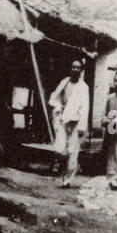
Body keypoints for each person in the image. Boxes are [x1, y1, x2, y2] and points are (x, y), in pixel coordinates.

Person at [49, 59, 90, 188]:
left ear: (81, 70)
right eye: (73, 67)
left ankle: (67, 179)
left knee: (73, 151)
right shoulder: (64, 82)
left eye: (78, 68)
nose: (75, 70)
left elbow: (85, 107)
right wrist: (58, 107)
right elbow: (55, 98)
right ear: (70, 68)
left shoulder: (84, 87)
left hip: (76, 122)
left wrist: (82, 126)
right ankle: (62, 170)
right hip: (64, 119)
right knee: (59, 149)